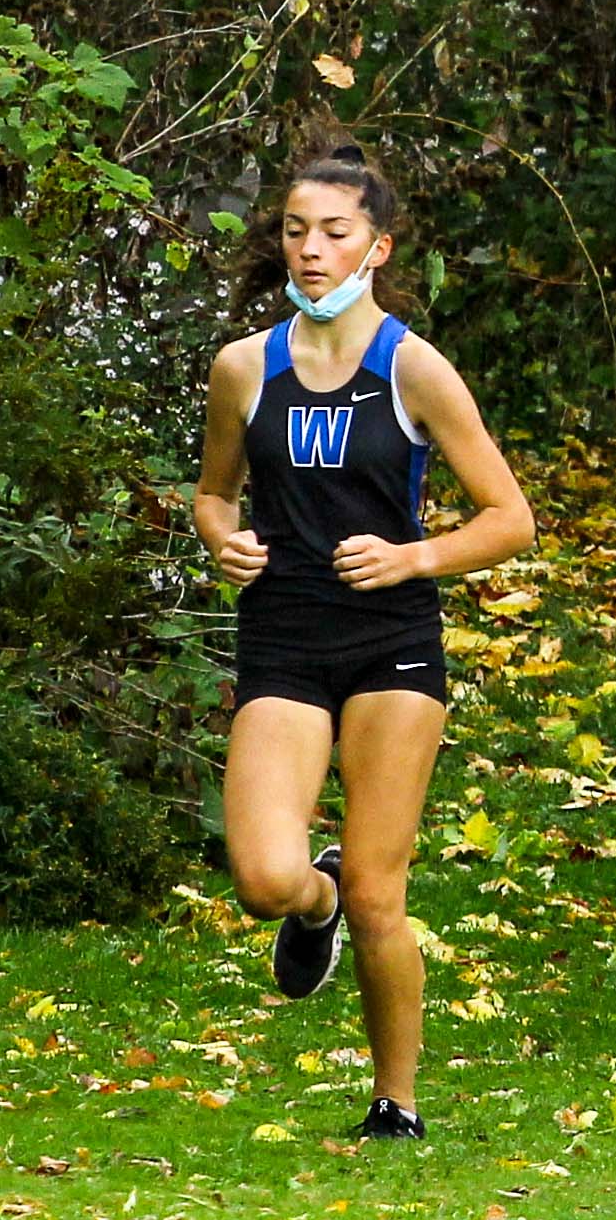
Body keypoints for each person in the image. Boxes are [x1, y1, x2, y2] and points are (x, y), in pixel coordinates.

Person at [192, 147, 536, 1141]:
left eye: (335, 231)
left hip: (391, 643)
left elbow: (508, 517)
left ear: (375, 248)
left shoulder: (413, 366)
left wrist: (412, 556)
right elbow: (212, 495)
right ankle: (314, 901)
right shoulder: (241, 368)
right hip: (284, 642)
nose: (310, 248)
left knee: (384, 896)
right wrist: (223, 538)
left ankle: (395, 1105)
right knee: (262, 877)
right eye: (296, 229)